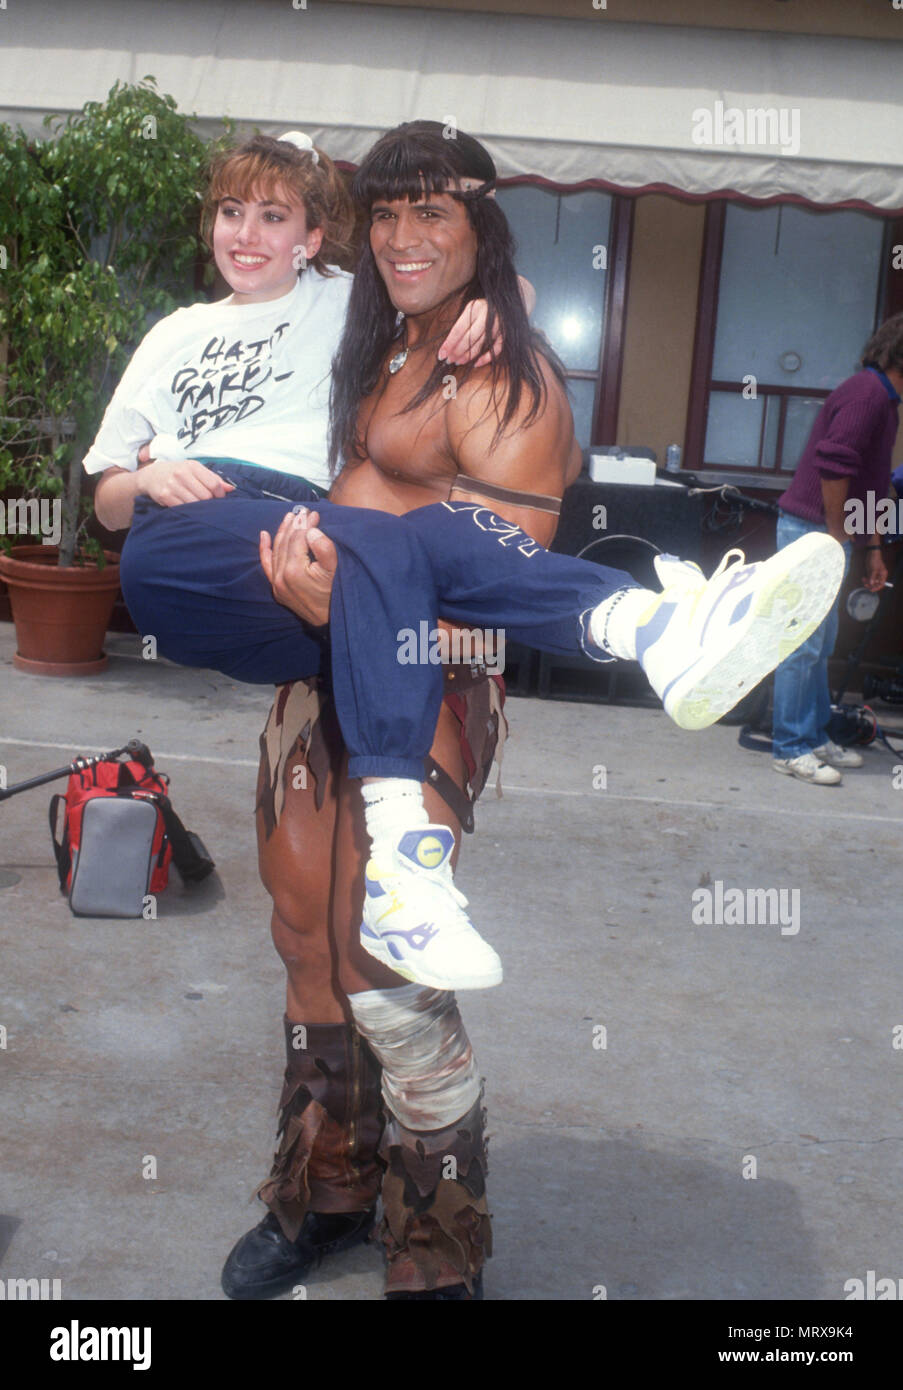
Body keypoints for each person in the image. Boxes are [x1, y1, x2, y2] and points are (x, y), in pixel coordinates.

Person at [176, 121, 841, 1301]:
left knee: (386, 955)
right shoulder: (372, 333)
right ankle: (328, 1193)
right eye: (386, 212)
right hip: (310, 668)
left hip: (424, 677)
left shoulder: (512, 375)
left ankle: (435, 1250)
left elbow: (500, 589)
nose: (400, 237)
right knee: (303, 938)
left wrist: (500, 305)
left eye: (434, 213)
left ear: (483, 224)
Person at [88, 132, 843, 997]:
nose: (247, 234)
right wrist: (147, 476)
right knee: (390, 540)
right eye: (230, 212)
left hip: (313, 543)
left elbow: (452, 270)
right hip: (190, 527)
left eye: (273, 215)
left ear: (310, 239)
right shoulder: (176, 333)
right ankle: (409, 854)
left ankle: (648, 627)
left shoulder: (340, 301)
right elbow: (106, 496)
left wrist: (500, 303)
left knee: (433, 533)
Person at [771, 314, 903, 785]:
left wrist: (874, 549)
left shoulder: (887, 403)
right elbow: (833, 463)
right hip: (811, 531)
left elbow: (872, 483)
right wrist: (834, 538)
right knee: (802, 644)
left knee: (821, 643)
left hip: (831, 534)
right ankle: (788, 747)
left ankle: (813, 736)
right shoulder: (867, 394)